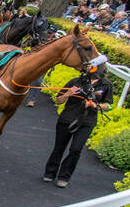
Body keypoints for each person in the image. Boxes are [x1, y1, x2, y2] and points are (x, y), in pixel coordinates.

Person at [45, 56, 113, 187]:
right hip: (67, 119)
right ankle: (50, 173)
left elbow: (108, 105)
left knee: (76, 149)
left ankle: (64, 176)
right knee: (59, 148)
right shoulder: (75, 81)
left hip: (87, 122)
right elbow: (58, 100)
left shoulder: (106, 85)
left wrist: (94, 105)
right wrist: (67, 94)